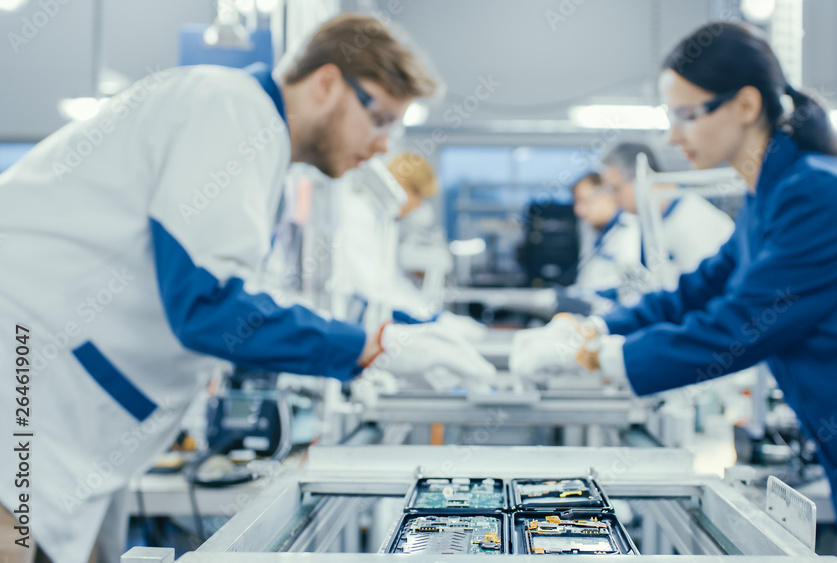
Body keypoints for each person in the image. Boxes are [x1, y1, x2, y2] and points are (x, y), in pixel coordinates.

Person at [0, 14, 495, 563]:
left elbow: (230, 294)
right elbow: (210, 304)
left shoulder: (256, 147)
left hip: (66, 416)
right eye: (378, 118)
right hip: (25, 388)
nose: (382, 147)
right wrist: (367, 347)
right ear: (328, 83)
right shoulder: (229, 109)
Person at [510, 22, 837, 562]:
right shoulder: (770, 198)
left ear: (744, 104)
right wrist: (599, 327)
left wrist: (601, 357)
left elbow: (740, 327)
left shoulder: (817, 191)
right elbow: (695, 293)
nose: (674, 137)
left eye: (685, 115)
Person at [600, 142, 734, 291]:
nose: (611, 198)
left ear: (638, 178)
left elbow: (706, 292)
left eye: (615, 189)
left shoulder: (695, 220)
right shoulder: (652, 221)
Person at [569, 172, 641, 297]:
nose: (578, 210)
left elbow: (632, 286)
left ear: (606, 195)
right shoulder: (595, 232)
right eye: (576, 203)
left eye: (584, 201)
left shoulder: (630, 229)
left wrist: (592, 294)